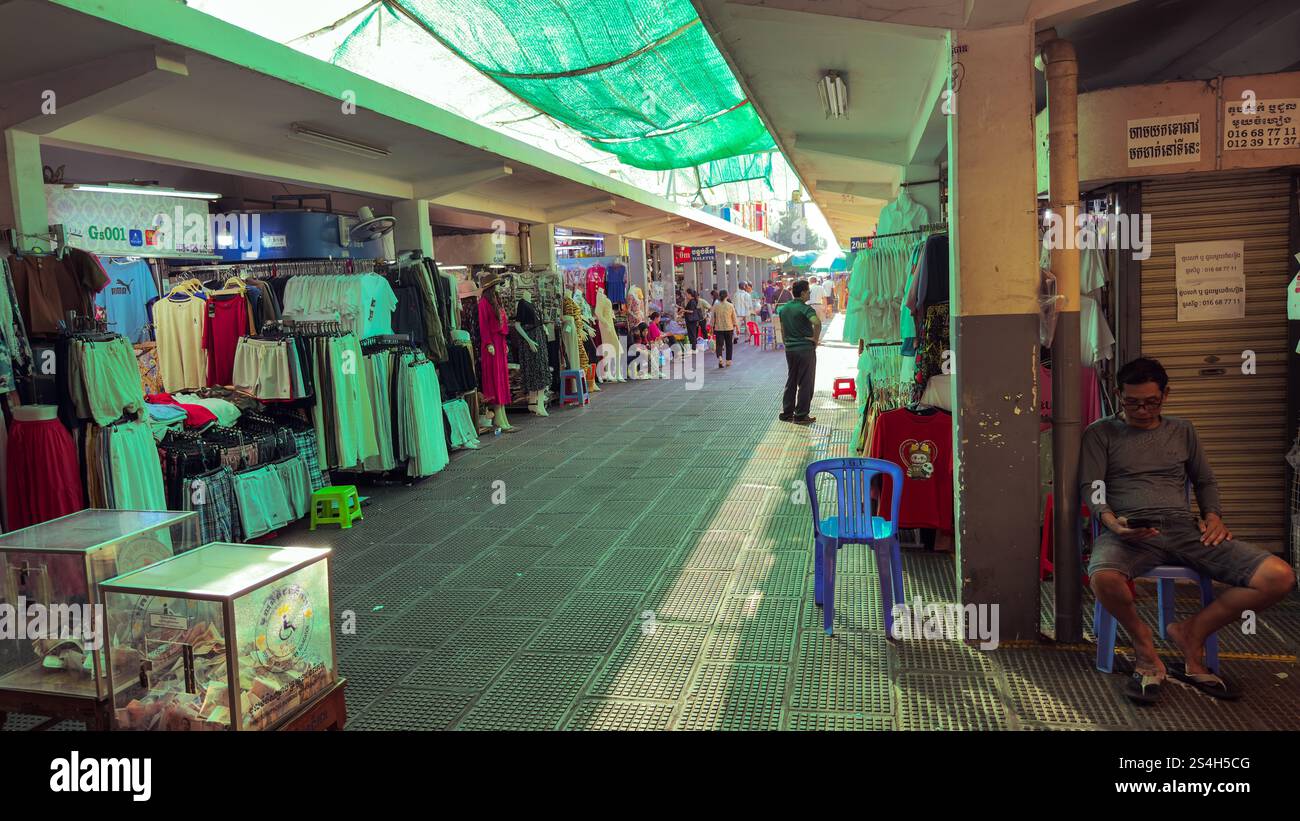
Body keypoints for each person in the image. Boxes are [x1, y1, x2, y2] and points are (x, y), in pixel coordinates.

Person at [1080, 357, 1296, 703]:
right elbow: (1092, 488)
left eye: (1151, 401)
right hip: (1131, 531)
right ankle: (1143, 644)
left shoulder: (1183, 430)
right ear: (1119, 395)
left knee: (1279, 577)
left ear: (1166, 395)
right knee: (1103, 577)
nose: (1142, 409)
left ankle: (1191, 632)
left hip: (1185, 529)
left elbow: (1205, 480)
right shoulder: (1100, 432)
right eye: (1132, 402)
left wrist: (1213, 516)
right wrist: (1111, 523)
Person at [776, 280, 821, 424]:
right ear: (802, 293)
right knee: (805, 382)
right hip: (805, 349)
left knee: (792, 380)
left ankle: (787, 413)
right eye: (808, 291)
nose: (809, 293)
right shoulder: (805, 308)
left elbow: (783, 330)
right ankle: (801, 415)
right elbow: (817, 322)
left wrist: (786, 342)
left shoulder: (784, 309)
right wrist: (815, 339)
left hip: (790, 349)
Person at [710, 289, 737, 368]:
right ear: (727, 296)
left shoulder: (716, 305)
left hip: (718, 328)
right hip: (729, 328)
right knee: (729, 345)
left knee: (719, 345)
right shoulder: (730, 305)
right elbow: (734, 318)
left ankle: (720, 358)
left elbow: (712, 317)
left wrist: (711, 326)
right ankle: (728, 361)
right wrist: (736, 326)